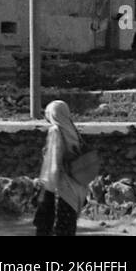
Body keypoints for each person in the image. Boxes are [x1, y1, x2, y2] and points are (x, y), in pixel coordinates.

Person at [34, 100, 88, 237]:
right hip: (77, 188)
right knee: (68, 227)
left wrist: (46, 189)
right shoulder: (73, 131)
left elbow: (53, 162)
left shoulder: (55, 131)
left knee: (58, 227)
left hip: (62, 188)